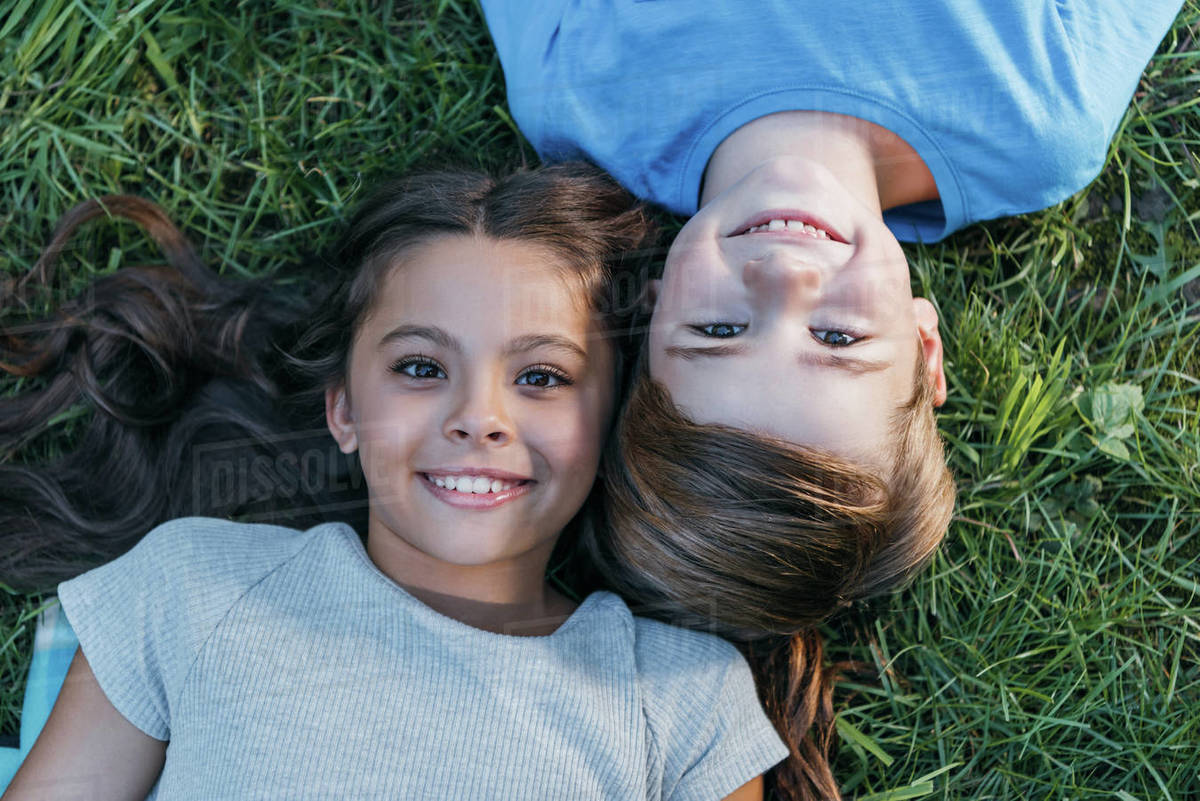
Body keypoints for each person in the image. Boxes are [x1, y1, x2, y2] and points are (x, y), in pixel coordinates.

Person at [478, 2, 1186, 798]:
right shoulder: (1037, 114)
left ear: (648, 311)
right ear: (926, 346)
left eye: (718, 327)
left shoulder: (584, 99)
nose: (784, 275)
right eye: (839, 340)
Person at [0, 164, 786, 800]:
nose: (479, 417)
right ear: (342, 408)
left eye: (542, 375)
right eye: (420, 366)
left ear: (610, 418)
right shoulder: (191, 588)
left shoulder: (682, 703)